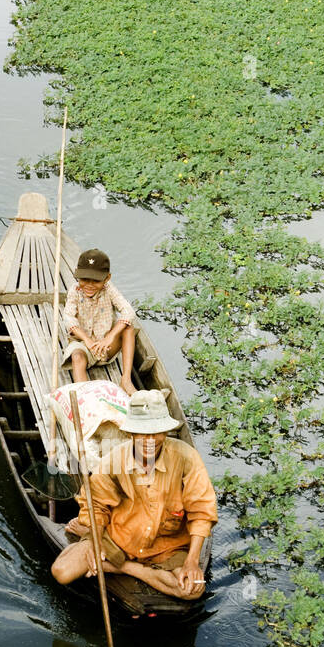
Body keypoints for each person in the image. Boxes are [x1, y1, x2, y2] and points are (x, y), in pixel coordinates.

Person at [51, 390, 218, 599]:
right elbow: (97, 506)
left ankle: (121, 568)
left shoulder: (186, 458)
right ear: (131, 433)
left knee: (192, 590)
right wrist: (95, 544)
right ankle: (103, 551)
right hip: (118, 539)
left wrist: (193, 562)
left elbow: (202, 512)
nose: (150, 440)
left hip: (167, 547)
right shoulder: (113, 461)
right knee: (62, 572)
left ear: (166, 432)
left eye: (156, 432)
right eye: (142, 433)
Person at [62, 248, 137, 395]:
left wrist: (110, 337)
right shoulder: (74, 291)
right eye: (84, 279)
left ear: (107, 278)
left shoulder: (109, 289)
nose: (89, 285)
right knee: (77, 357)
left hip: (106, 347)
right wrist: (87, 340)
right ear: (77, 274)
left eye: (96, 281)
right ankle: (86, 395)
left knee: (129, 328)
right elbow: (68, 318)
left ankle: (126, 380)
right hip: (84, 346)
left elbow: (129, 311)